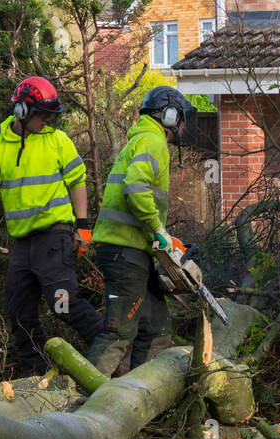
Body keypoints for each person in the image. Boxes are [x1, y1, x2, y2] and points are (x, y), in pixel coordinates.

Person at [0, 76, 117, 377]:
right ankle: (39, 377)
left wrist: (84, 227)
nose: (47, 120)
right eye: (42, 114)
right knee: (19, 310)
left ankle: (113, 361)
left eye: (51, 114)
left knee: (62, 304)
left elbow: (77, 181)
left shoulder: (57, 141)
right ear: (22, 112)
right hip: (23, 245)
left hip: (55, 236)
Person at [90, 85, 196, 375]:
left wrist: (161, 236)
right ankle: (82, 405)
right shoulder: (153, 141)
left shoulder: (144, 139)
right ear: (170, 115)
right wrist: (158, 229)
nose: (183, 126)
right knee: (119, 331)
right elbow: (136, 190)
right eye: (181, 118)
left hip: (132, 249)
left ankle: (141, 394)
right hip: (123, 251)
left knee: (156, 327)